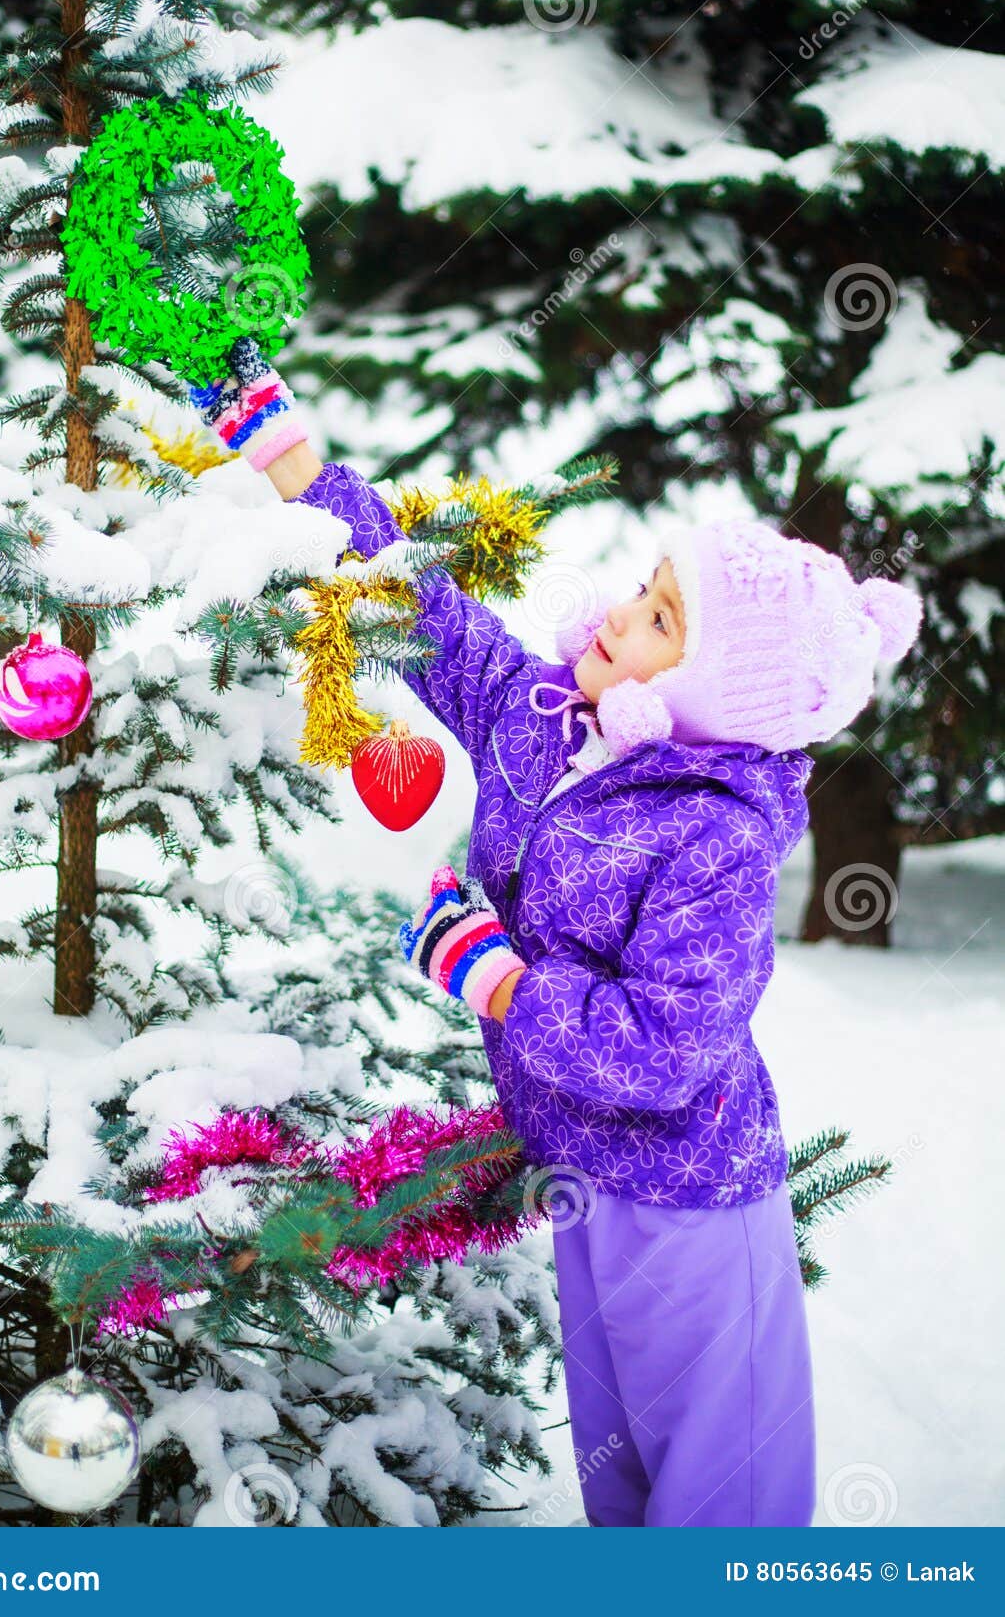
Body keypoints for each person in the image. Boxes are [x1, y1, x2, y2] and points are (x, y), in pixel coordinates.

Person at [189, 337, 924, 1527]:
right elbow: (422, 606)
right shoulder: (548, 722)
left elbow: (664, 1046)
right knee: (620, 1483)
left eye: (662, 620)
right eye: (643, 589)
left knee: (717, 1503)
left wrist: (495, 980)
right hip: (580, 1172)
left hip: (691, 1201)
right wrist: (289, 457)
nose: (622, 617)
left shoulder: (717, 832)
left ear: (720, 693)